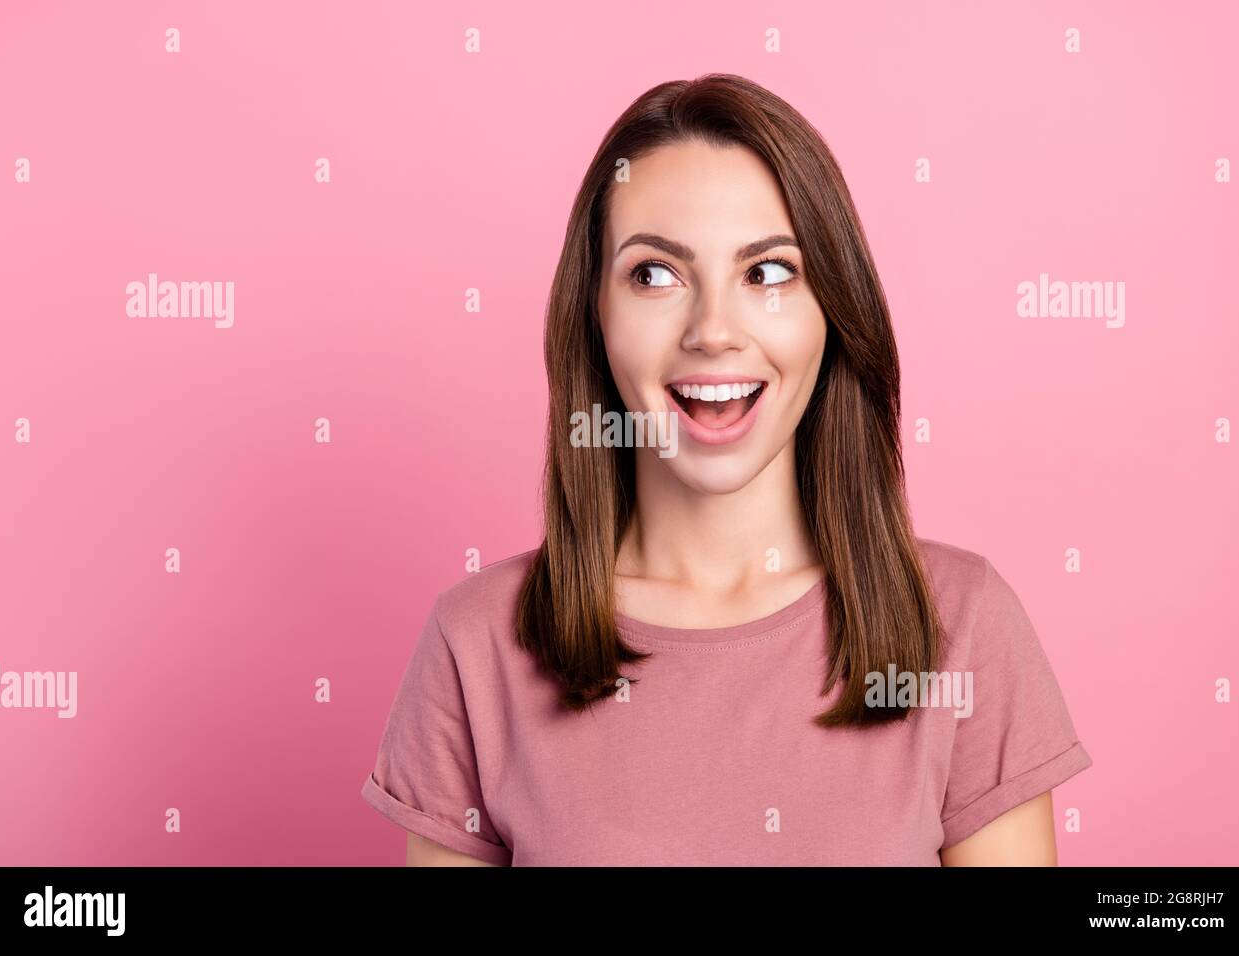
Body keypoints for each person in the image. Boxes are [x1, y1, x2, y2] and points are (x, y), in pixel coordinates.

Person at [361, 73, 1092, 866]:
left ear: (832, 311)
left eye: (769, 273)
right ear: (595, 316)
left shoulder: (964, 625)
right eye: (655, 274)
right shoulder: (477, 644)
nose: (713, 331)